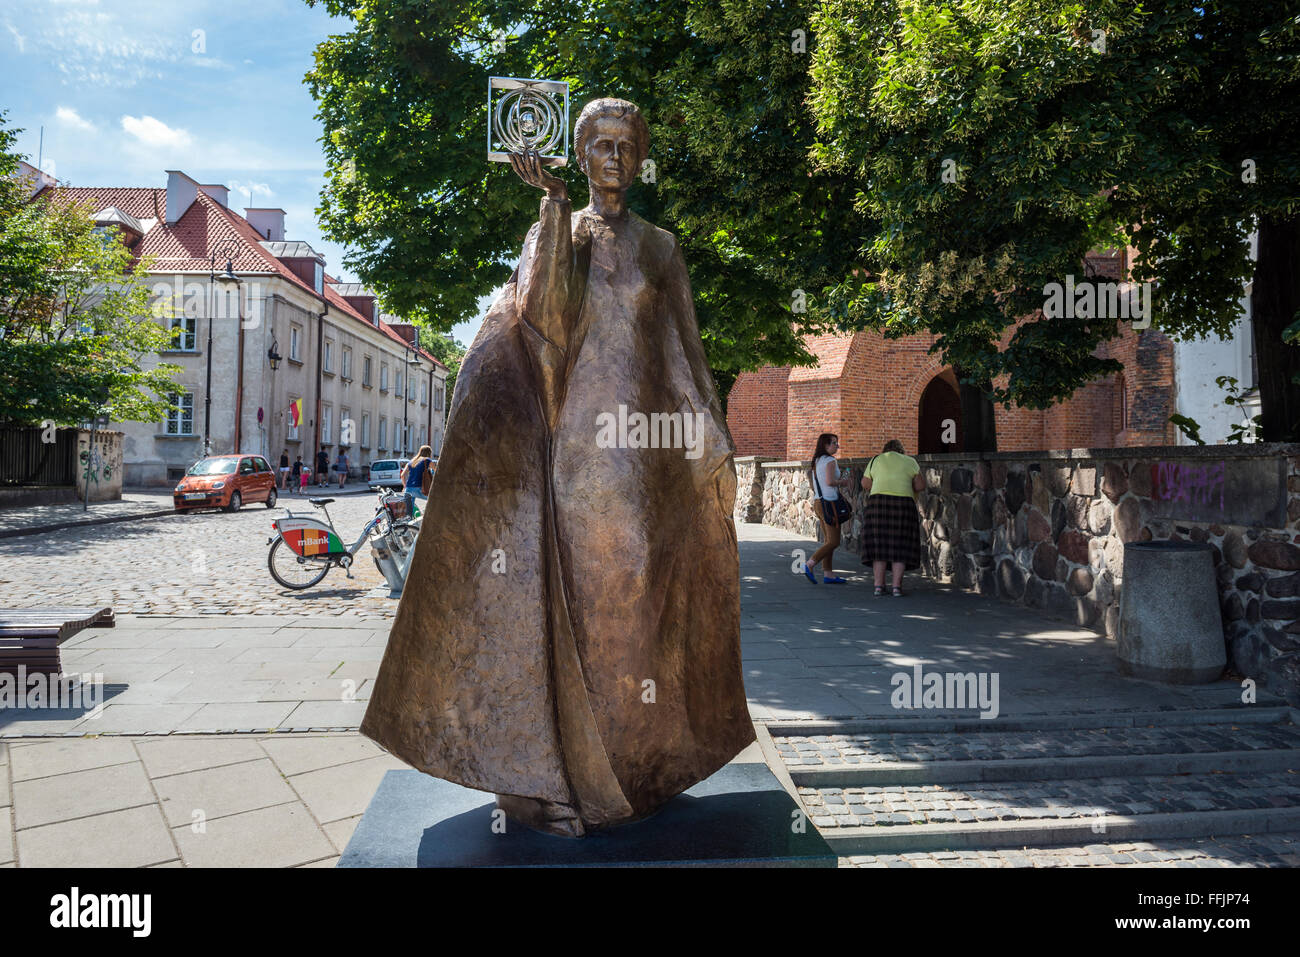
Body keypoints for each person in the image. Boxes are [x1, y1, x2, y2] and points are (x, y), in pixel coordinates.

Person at [361, 98, 753, 838]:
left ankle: (636, 773)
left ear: (639, 157)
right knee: (570, 602)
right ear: (578, 154)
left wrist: (716, 447)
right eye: (599, 144)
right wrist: (551, 206)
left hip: (645, 456)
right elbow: (543, 324)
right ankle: (561, 780)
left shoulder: (662, 249)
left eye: (625, 145)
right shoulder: (559, 226)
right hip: (571, 453)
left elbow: (686, 355)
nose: (613, 156)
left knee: (639, 612)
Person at [860, 438, 925, 597]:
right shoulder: (910, 461)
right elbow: (920, 486)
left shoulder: (876, 460)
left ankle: (878, 586)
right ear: (901, 451)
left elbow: (865, 484)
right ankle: (896, 587)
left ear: (885, 450)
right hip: (903, 505)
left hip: (878, 504)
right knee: (900, 545)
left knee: (879, 545)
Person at [804, 433, 854, 584]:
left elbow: (815, 484)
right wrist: (843, 482)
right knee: (834, 542)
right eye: (834, 443)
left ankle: (828, 573)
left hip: (819, 502)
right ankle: (810, 564)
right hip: (830, 503)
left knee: (828, 540)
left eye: (837, 443)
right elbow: (830, 481)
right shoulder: (830, 460)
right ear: (825, 445)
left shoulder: (817, 461)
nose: (837, 446)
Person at [400, 444, 434, 517]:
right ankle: (430, 518)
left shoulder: (411, 461)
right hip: (419, 488)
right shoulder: (427, 460)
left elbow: (402, 475)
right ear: (429, 453)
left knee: (408, 513)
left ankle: (408, 527)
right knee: (435, 500)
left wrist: (405, 486)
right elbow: (437, 471)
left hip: (409, 489)